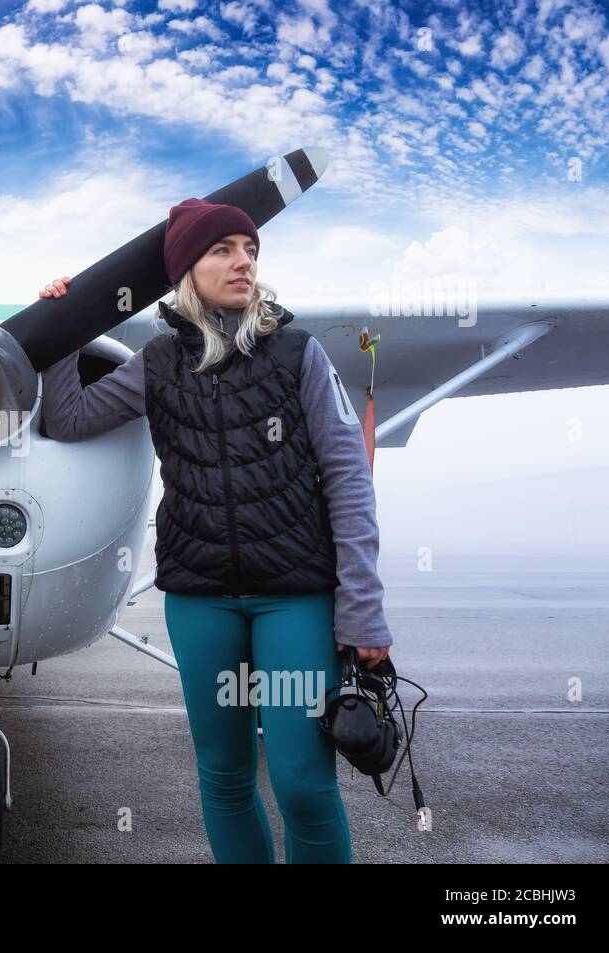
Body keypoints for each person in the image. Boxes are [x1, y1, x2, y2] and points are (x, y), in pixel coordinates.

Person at [37, 197, 393, 864]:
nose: (243, 261)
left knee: (302, 782)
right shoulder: (159, 362)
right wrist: (63, 326)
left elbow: (350, 479)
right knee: (225, 779)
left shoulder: (298, 354)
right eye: (222, 249)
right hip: (201, 601)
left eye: (250, 249)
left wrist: (363, 611)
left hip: (294, 598)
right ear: (186, 271)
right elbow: (70, 418)